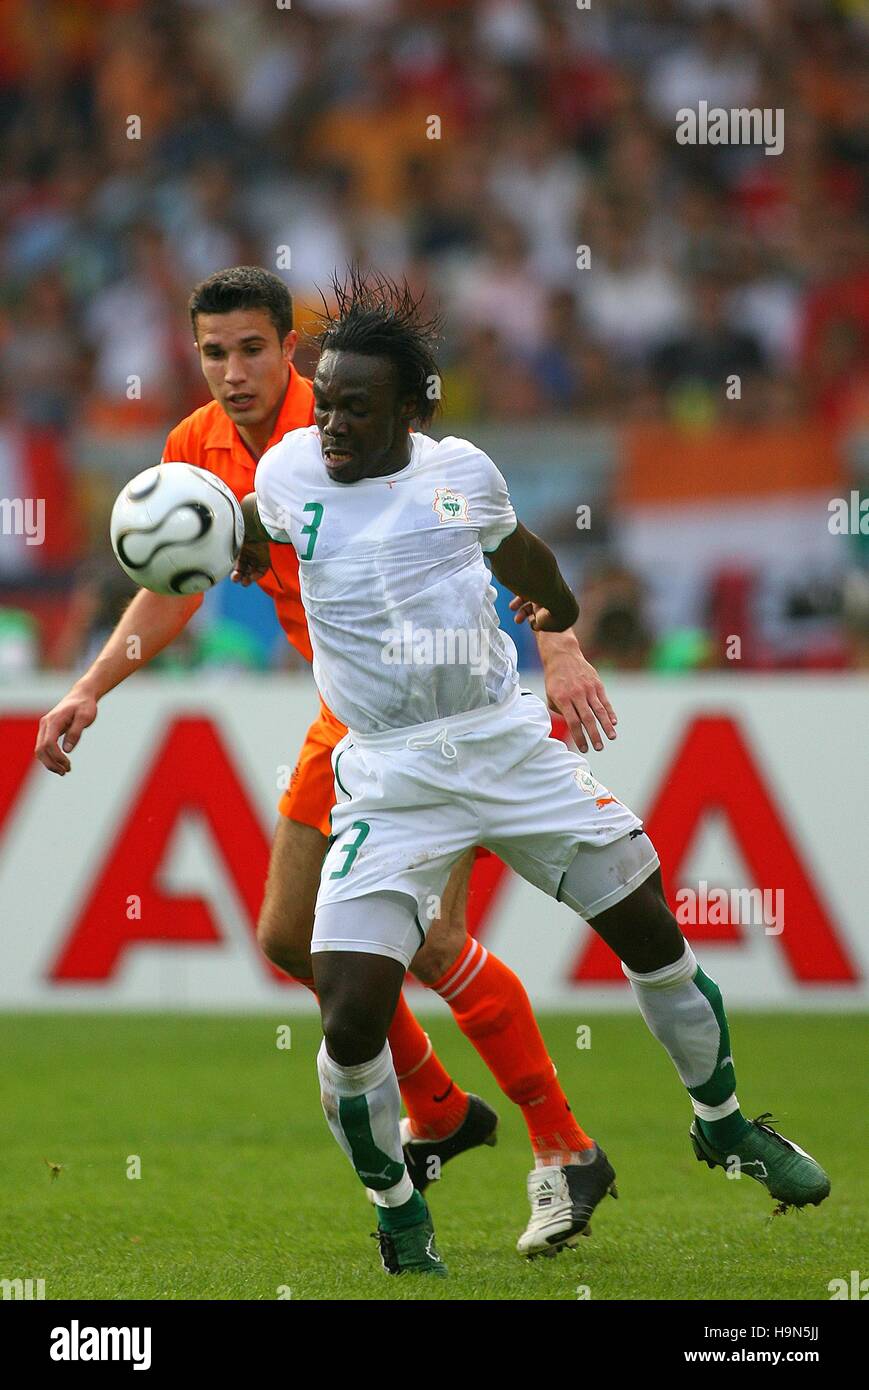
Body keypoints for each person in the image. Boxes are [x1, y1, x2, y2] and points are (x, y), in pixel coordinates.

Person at [241, 269, 830, 1277]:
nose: (331, 422)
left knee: (649, 930)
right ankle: (395, 1208)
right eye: (325, 400)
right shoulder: (289, 472)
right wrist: (197, 539)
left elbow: (531, 567)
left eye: (355, 407)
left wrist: (558, 639)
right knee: (344, 1011)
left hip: (501, 742)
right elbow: (254, 543)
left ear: (414, 410)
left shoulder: (459, 473)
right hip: (385, 772)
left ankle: (723, 1124)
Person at [35, 265, 627, 1257]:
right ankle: (438, 1109)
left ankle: (564, 1147)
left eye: (251, 349)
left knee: (430, 947)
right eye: (213, 353)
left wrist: (560, 646)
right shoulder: (197, 450)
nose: (232, 372)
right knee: (287, 936)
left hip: (438, 718)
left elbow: (491, 533)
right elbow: (177, 584)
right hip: (344, 718)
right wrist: (92, 684)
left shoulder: (358, 412)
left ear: (291, 351)